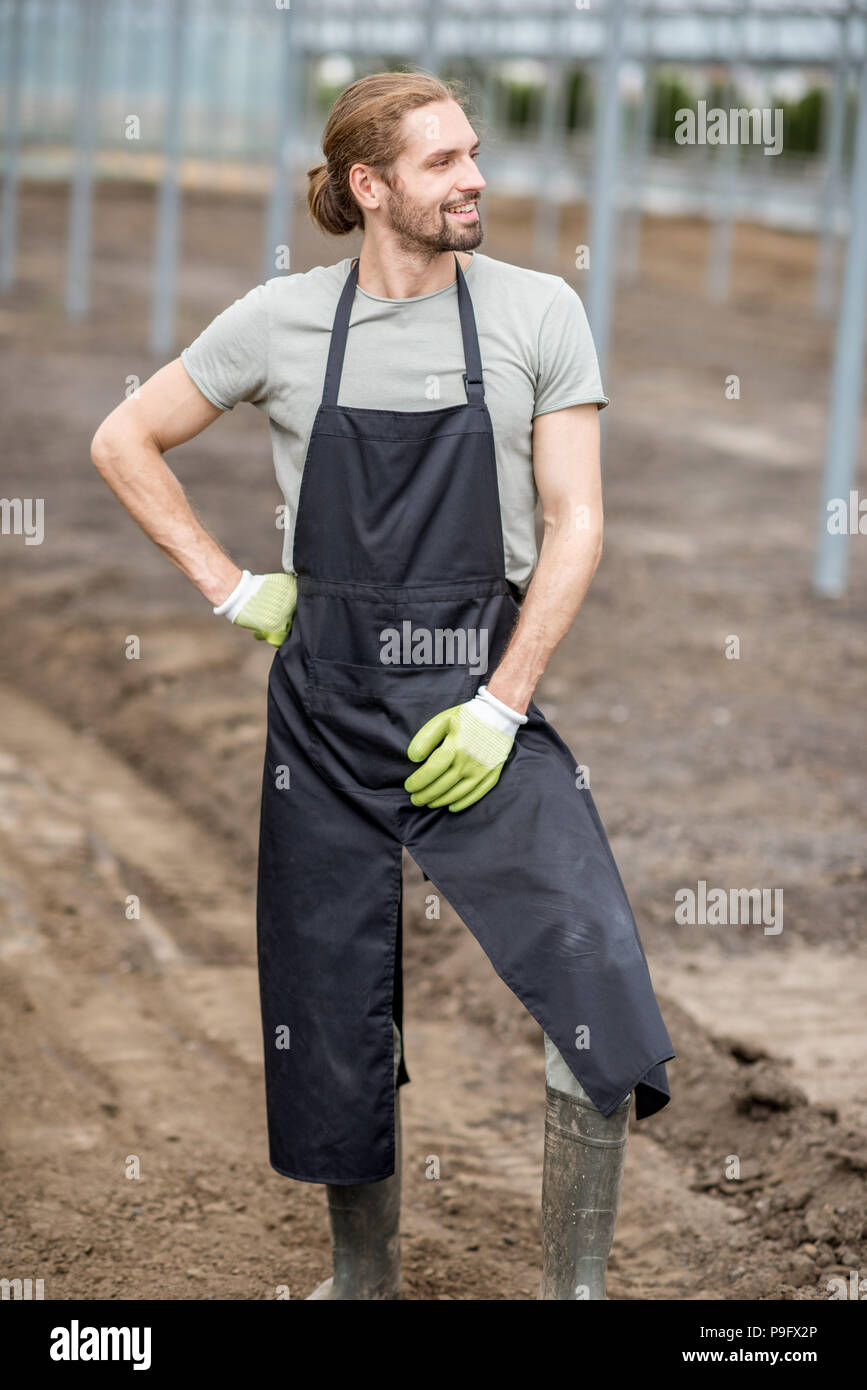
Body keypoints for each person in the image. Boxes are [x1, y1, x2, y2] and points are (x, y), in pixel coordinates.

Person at [90, 69, 674, 1301]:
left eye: (475, 152)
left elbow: (576, 524)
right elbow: (121, 438)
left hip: (482, 695)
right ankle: (365, 1281)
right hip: (326, 714)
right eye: (444, 160)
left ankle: (577, 1296)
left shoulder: (537, 312)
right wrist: (234, 587)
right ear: (370, 186)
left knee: (597, 994)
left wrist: (504, 703)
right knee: (335, 1013)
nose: (476, 178)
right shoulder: (281, 320)